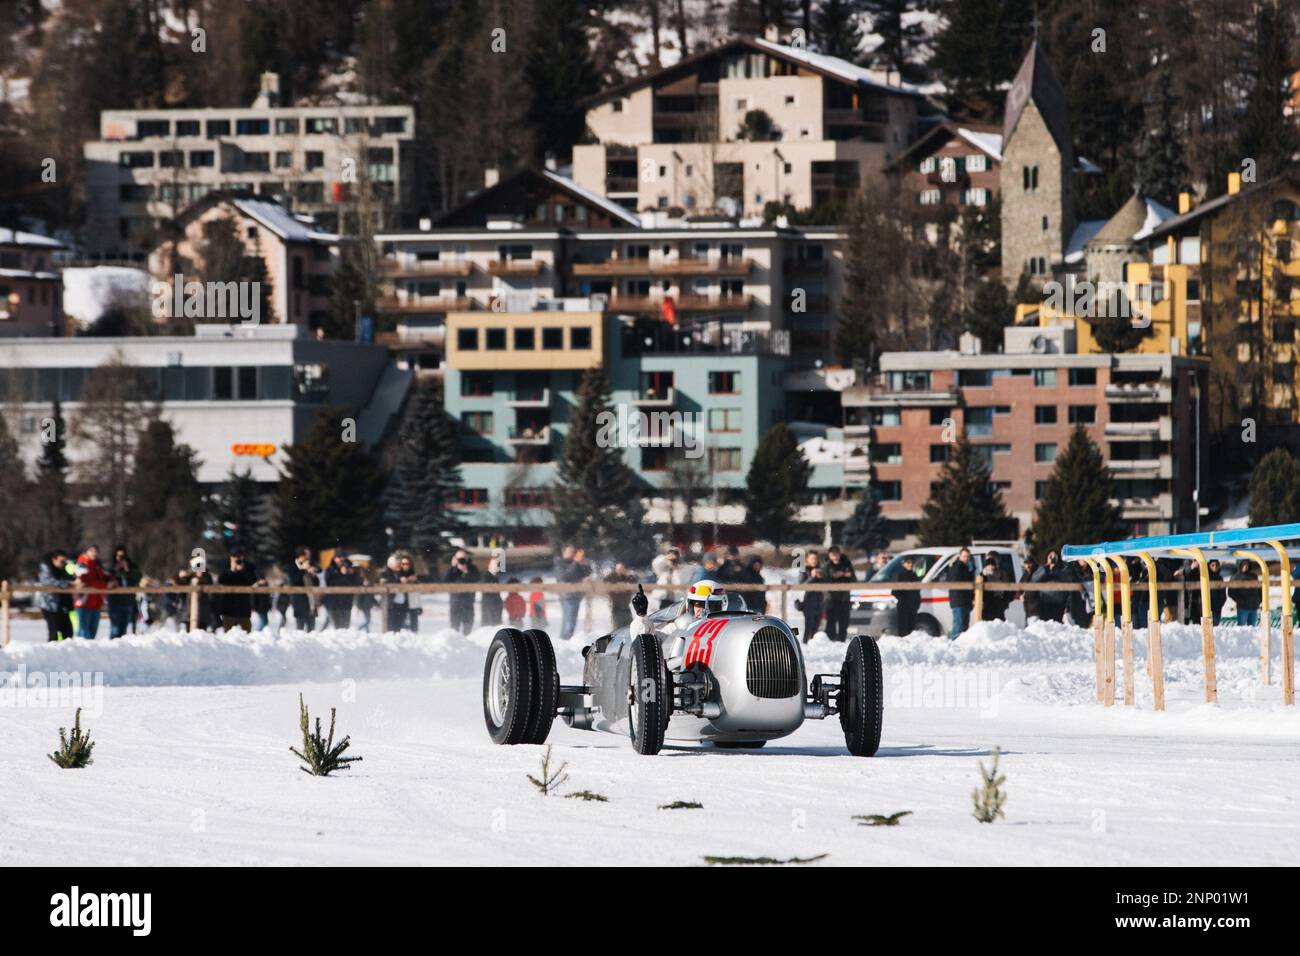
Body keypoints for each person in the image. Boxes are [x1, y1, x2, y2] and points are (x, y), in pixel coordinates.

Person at [73, 545, 113, 639]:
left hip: (96, 602)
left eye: (96, 551)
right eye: (91, 551)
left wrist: (111, 581)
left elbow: (105, 576)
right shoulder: (82, 563)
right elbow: (86, 580)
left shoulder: (97, 565)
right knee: (83, 633)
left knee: (92, 632)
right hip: (84, 602)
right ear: (86, 552)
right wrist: (106, 585)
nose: (94, 553)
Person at [216, 549, 261, 632]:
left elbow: (252, 581)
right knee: (228, 635)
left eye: (238, 558)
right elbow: (221, 580)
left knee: (247, 634)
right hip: (228, 609)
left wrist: (243, 570)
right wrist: (232, 570)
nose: (237, 561)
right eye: (234, 559)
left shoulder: (247, 569)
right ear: (230, 559)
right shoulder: (226, 570)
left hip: (244, 609)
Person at [37, 549, 73, 642]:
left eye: (64, 561)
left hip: (63, 605)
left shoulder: (63, 569)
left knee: (68, 633)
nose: (63, 563)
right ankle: (52, 653)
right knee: (54, 633)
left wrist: (75, 579)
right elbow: (47, 582)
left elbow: (69, 578)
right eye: (61, 561)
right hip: (50, 605)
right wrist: (67, 584)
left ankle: (68, 653)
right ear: (54, 559)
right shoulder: (45, 567)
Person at [281, 547, 320, 632]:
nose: (309, 557)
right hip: (299, 602)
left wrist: (313, 575)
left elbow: (317, 583)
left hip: (311, 602)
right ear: (301, 555)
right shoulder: (292, 566)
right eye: (307, 554)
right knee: (300, 629)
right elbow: (294, 582)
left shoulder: (310, 564)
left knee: (312, 630)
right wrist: (303, 570)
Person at [106, 545, 141, 639]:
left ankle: (121, 650)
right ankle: (112, 647)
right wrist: (115, 569)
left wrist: (127, 569)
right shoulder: (111, 566)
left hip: (128, 601)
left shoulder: (131, 566)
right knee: (115, 628)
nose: (120, 559)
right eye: (118, 556)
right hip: (114, 602)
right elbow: (106, 578)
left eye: (123, 556)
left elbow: (138, 578)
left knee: (124, 628)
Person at [825, 545, 855, 641]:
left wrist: (847, 575)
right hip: (831, 598)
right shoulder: (827, 566)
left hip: (844, 597)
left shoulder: (846, 564)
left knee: (844, 621)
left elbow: (853, 579)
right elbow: (825, 579)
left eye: (836, 553)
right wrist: (835, 576)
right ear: (829, 555)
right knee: (831, 621)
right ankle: (831, 640)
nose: (834, 556)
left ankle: (841, 640)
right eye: (832, 554)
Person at [557, 547, 589, 641]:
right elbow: (565, 577)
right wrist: (575, 562)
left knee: (569, 621)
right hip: (567, 595)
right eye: (569, 552)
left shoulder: (576, 563)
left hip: (575, 595)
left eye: (573, 552)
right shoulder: (560, 563)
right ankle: (565, 640)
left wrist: (584, 563)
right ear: (563, 552)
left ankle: (563, 642)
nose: (571, 554)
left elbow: (587, 574)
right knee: (569, 622)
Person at [445, 549, 479, 635]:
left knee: (468, 627)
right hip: (455, 602)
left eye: (463, 558)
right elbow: (444, 580)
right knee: (454, 627)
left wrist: (466, 572)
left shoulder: (472, 568)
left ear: (467, 558)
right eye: (459, 558)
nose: (462, 560)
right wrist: (452, 567)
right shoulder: (452, 569)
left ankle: (467, 646)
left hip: (468, 602)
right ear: (455, 559)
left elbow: (477, 579)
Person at [323, 552, 358, 629]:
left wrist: (351, 574)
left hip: (347, 602)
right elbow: (330, 583)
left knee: (345, 627)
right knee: (336, 627)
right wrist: (341, 574)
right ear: (335, 558)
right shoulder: (330, 569)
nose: (341, 559)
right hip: (334, 603)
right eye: (339, 557)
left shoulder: (350, 569)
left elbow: (355, 583)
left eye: (342, 557)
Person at [946, 547, 975, 639]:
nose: (966, 558)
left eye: (968, 556)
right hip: (959, 601)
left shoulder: (965, 568)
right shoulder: (957, 567)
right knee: (958, 626)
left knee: (964, 627)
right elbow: (954, 582)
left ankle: (961, 645)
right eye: (964, 556)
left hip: (965, 601)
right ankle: (954, 644)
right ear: (960, 556)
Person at [1032, 550, 1068, 623]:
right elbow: (1034, 579)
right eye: (1050, 556)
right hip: (1044, 602)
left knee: (1057, 624)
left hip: (1059, 602)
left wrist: (1055, 570)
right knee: (1045, 625)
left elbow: (1067, 578)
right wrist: (1046, 569)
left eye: (1054, 556)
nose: (1052, 559)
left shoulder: (1062, 568)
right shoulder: (1042, 568)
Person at [798, 550, 826, 643]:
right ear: (807, 560)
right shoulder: (804, 569)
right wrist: (813, 576)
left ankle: (814, 645)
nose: (814, 560)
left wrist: (821, 577)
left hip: (819, 601)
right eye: (812, 558)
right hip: (808, 602)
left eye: (816, 559)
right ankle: (805, 644)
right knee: (808, 627)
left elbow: (826, 584)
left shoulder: (821, 570)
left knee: (816, 626)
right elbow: (802, 585)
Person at [379, 553, 409, 633]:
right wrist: (399, 581)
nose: (399, 565)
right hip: (391, 603)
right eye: (397, 563)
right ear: (391, 564)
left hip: (401, 603)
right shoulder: (385, 573)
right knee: (391, 625)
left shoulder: (400, 573)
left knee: (399, 624)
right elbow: (385, 583)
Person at [892, 554, 921, 636]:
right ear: (903, 564)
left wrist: (917, 602)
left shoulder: (914, 575)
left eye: (912, 562)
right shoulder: (899, 575)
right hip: (903, 606)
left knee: (912, 629)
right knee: (903, 630)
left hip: (913, 606)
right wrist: (903, 600)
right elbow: (894, 591)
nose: (910, 564)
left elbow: (917, 591)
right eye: (908, 562)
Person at [604, 561, 639, 629]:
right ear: (616, 569)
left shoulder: (627, 576)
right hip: (616, 606)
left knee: (629, 626)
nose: (620, 571)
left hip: (626, 606)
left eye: (621, 569)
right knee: (617, 627)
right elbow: (604, 583)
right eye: (618, 569)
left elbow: (635, 583)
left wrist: (628, 575)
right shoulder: (611, 576)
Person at [1230, 559, 1261, 626]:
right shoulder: (1235, 577)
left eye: (1247, 564)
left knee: (1253, 628)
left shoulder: (1254, 576)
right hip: (1243, 607)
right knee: (1241, 627)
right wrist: (1240, 601)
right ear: (1239, 565)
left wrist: (1259, 600)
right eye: (1243, 564)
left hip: (1254, 607)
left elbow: (1260, 589)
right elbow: (1231, 592)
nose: (1245, 566)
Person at [980, 556, 1010, 622]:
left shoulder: (1001, 574)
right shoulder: (982, 575)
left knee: (999, 622)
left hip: (998, 601)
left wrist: (1005, 602)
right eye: (989, 565)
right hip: (987, 603)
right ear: (985, 566)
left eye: (992, 565)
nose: (990, 567)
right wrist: (983, 575)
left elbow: (1007, 588)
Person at [480, 556, 504, 627]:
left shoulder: (496, 576)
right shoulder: (485, 575)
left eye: (497, 565)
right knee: (488, 625)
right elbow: (484, 587)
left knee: (497, 624)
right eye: (494, 564)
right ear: (489, 565)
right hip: (488, 604)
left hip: (496, 603)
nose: (496, 566)